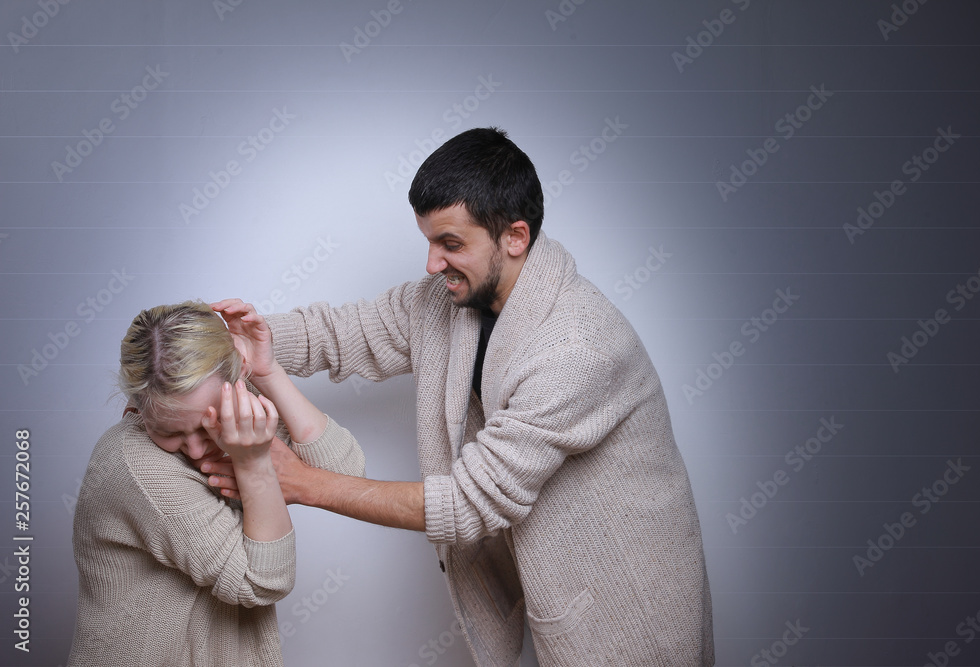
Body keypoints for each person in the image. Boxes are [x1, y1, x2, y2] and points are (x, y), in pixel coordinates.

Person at [208, 127, 714, 665]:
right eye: (428, 241)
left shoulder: (579, 345)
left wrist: (303, 482)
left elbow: (472, 502)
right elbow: (347, 331)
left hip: (633, 606)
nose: (431, 264)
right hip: (560, 589)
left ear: (515, 237)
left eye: (451, 244)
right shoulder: (448, 302)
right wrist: (243, 341)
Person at [68, 301, 365, 667]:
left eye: (208, 424)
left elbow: (345, 475)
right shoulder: (138, 464)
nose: (194, 448)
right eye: (169, 430)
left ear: (239, 382)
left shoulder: (241, 421)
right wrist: (255, 465)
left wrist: (268, 372)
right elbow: (261, 582)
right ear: (140, 408)